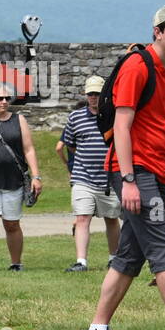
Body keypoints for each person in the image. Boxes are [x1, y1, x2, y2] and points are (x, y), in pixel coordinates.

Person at [82, 5, 165, 330]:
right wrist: (129, 180)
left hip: (154, 169)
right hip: (134, 171)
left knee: (128, 258)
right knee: (164, 247)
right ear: (158, 32)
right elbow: (122, 126)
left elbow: (159, 124)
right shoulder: (139, 66)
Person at [57, 74, 120, 271]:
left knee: (111, 218)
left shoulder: (114, 116)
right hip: (83, 177)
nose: (94, 97)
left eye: (97, 94)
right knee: (82, 218)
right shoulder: (76, 117)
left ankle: (114, 258)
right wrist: (77, 163)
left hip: (109, 178)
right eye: (90, 94)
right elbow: (69, 144)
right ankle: (81, 261)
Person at [0, 82, 41, 272]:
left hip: (14, 180)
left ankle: (15, 263)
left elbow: (29, 149)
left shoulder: (18, 120)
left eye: (7, 98)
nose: (4, 102)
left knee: (12, 223)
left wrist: (36, 176)